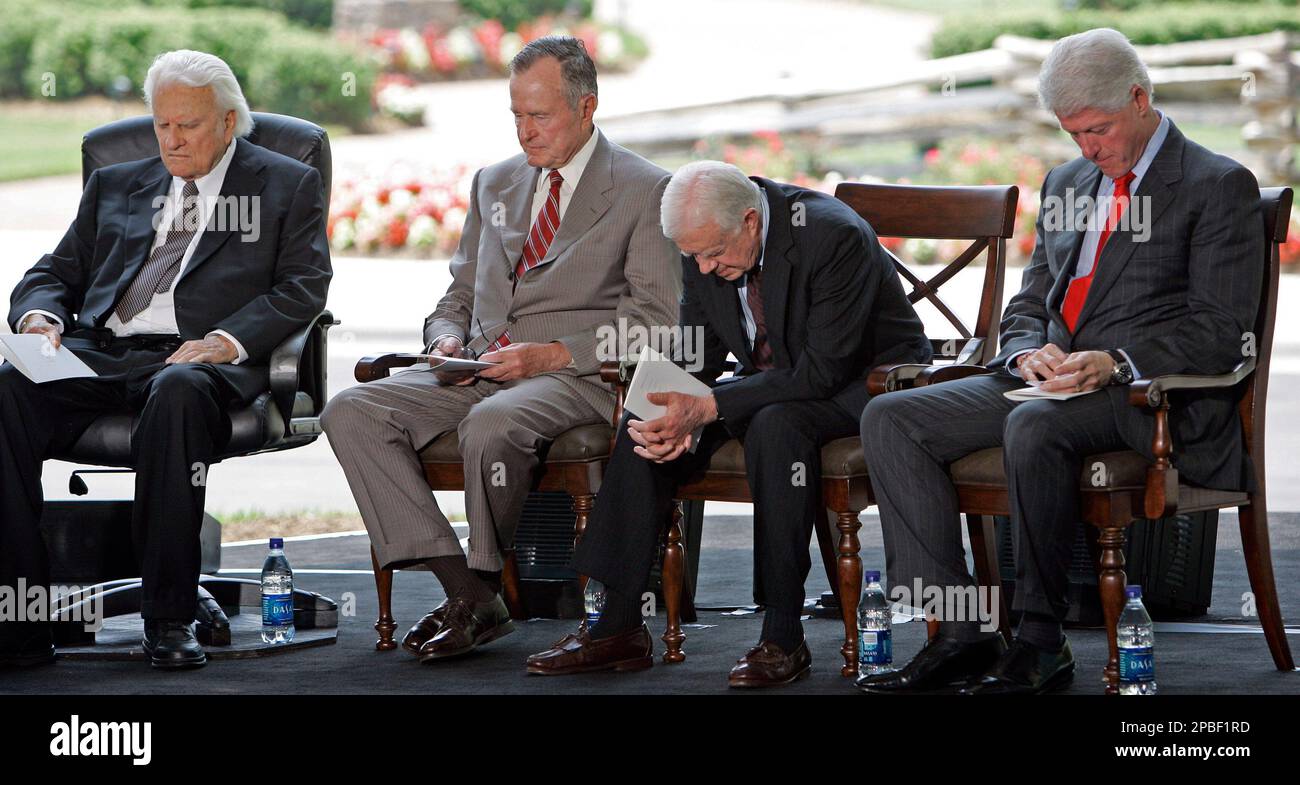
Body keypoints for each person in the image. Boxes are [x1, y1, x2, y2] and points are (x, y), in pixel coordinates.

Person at [858, 28, 1264, 695]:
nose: (1086, 148)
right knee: (891, 418)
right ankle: (961, 631)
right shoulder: (1068, 181)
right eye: (1072, 134)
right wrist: (1023, 352)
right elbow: (1028, 302)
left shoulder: (1216, 185)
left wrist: (1114, 360)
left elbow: (1222, 332)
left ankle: (1041, 642)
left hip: (1149, 398)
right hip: (1049, 384)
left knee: (1035, 426)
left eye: (1097, 130)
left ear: (1139, 98)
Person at [320, 36, 680, 662]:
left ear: (587, 106)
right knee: (350, 409)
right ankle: (467, 591)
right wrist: (445, 340)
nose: (524, 130)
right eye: (515, 114)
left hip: (577, 376)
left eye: (539, 115)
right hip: (477, 367)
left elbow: (655, 323)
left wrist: (547, 355)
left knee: (493, 422)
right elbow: (456, 294)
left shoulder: (644, 190)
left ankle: (484, 584)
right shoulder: (494, 183)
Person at [525, 160, 932, 687]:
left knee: (776, 425)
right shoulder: (704, 245)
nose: (704, 267)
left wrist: (710, 407)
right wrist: (675, 406)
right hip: (771, 385)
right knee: (650, 411)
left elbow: (821, 371)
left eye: (713, 254)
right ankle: (615, 624)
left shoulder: (832, 235)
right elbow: (701, 353)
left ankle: (782, 634)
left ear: (750, 221)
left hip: (864, 384)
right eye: (693, 257)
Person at [0, 49, 332, 669]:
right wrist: (41, 316)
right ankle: (18, 619)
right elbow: (54, 272)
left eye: (189, 126)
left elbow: (303, 287)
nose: (171, 141)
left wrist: (228, 340)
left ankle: (169, 615)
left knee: (176, 391)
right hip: (102, 356)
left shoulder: (285, 183)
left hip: (198, 362)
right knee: (6, 390)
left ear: (229, 122)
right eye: (162, 125)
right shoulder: (118, 184)